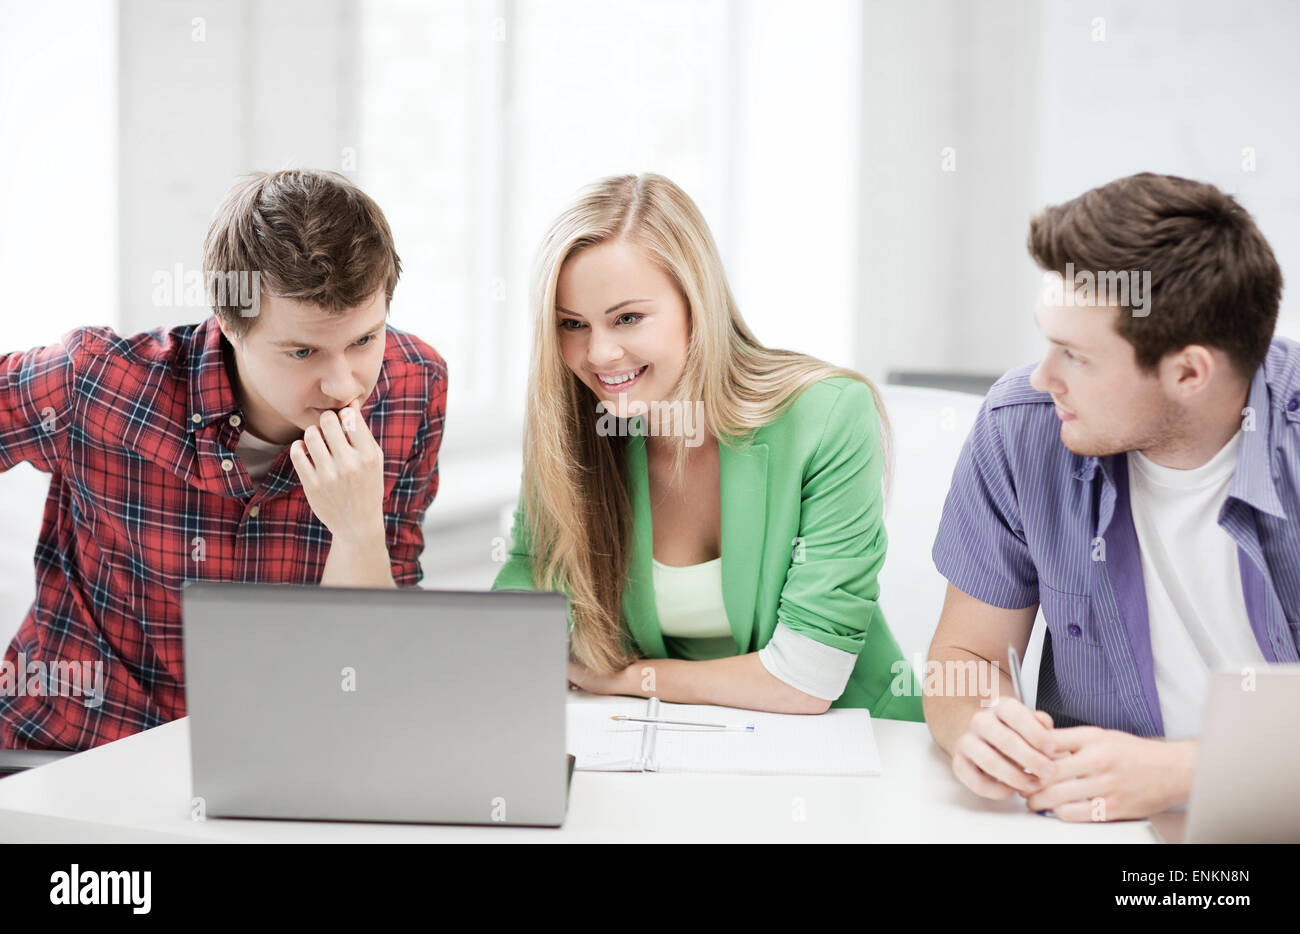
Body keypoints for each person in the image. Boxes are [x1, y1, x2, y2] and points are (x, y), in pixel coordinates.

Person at [0, 169, 447, 750]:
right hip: (69, 752)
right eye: (303, 351)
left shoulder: (413, 388)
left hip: (270, 767)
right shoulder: (99, 382)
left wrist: (358, 532)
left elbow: (371, 670)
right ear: (230, 323)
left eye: (364, 340)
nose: (343, 385)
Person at [925, 172, 1298, 820]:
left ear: (1188, 372)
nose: (1044, 377)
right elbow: (966, 658)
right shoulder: (1022, 429)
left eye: (1075, 355)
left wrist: (1188, 772)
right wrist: (980, 722)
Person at [493, 173, 921, 718]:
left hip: (861, 744)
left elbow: (805, 680)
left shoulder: (828, 415)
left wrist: (623, 679)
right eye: (572, 324)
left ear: (697, 303)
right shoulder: (574, 428)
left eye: (628, 317)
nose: (598, 354)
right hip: (671, 748)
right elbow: (519, 618)